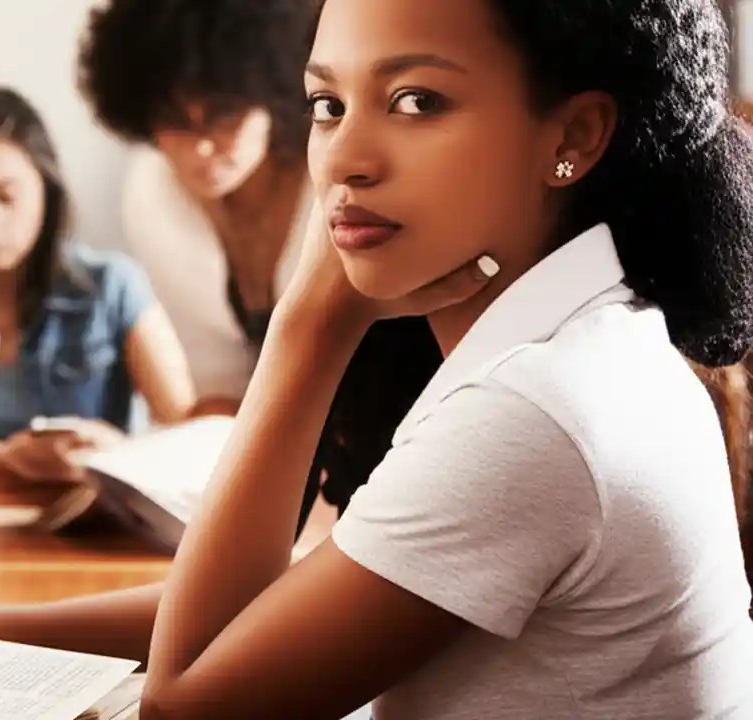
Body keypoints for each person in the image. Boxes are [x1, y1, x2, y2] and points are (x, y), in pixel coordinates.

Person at [141, 0, 753, 716]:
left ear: (574, 136)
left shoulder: (535, 411)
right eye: (327, 104)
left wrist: (308, 326)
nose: (343, 159)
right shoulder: (599, 342)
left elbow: (182, 706)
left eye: (416, 101)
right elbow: (279, 610)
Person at [0, 86, 196, 482]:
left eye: (5, 197)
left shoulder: (111, 286)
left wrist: (118, 451)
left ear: (45, 190)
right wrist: (2, 460)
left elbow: (190, 440)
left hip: (89, 532)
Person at [79, 0, 319, 409]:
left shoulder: (330, 179)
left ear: (272, 96)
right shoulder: (151, 193)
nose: (202, 148)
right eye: (176, 123)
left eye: (224, 118)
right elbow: (214, 389)